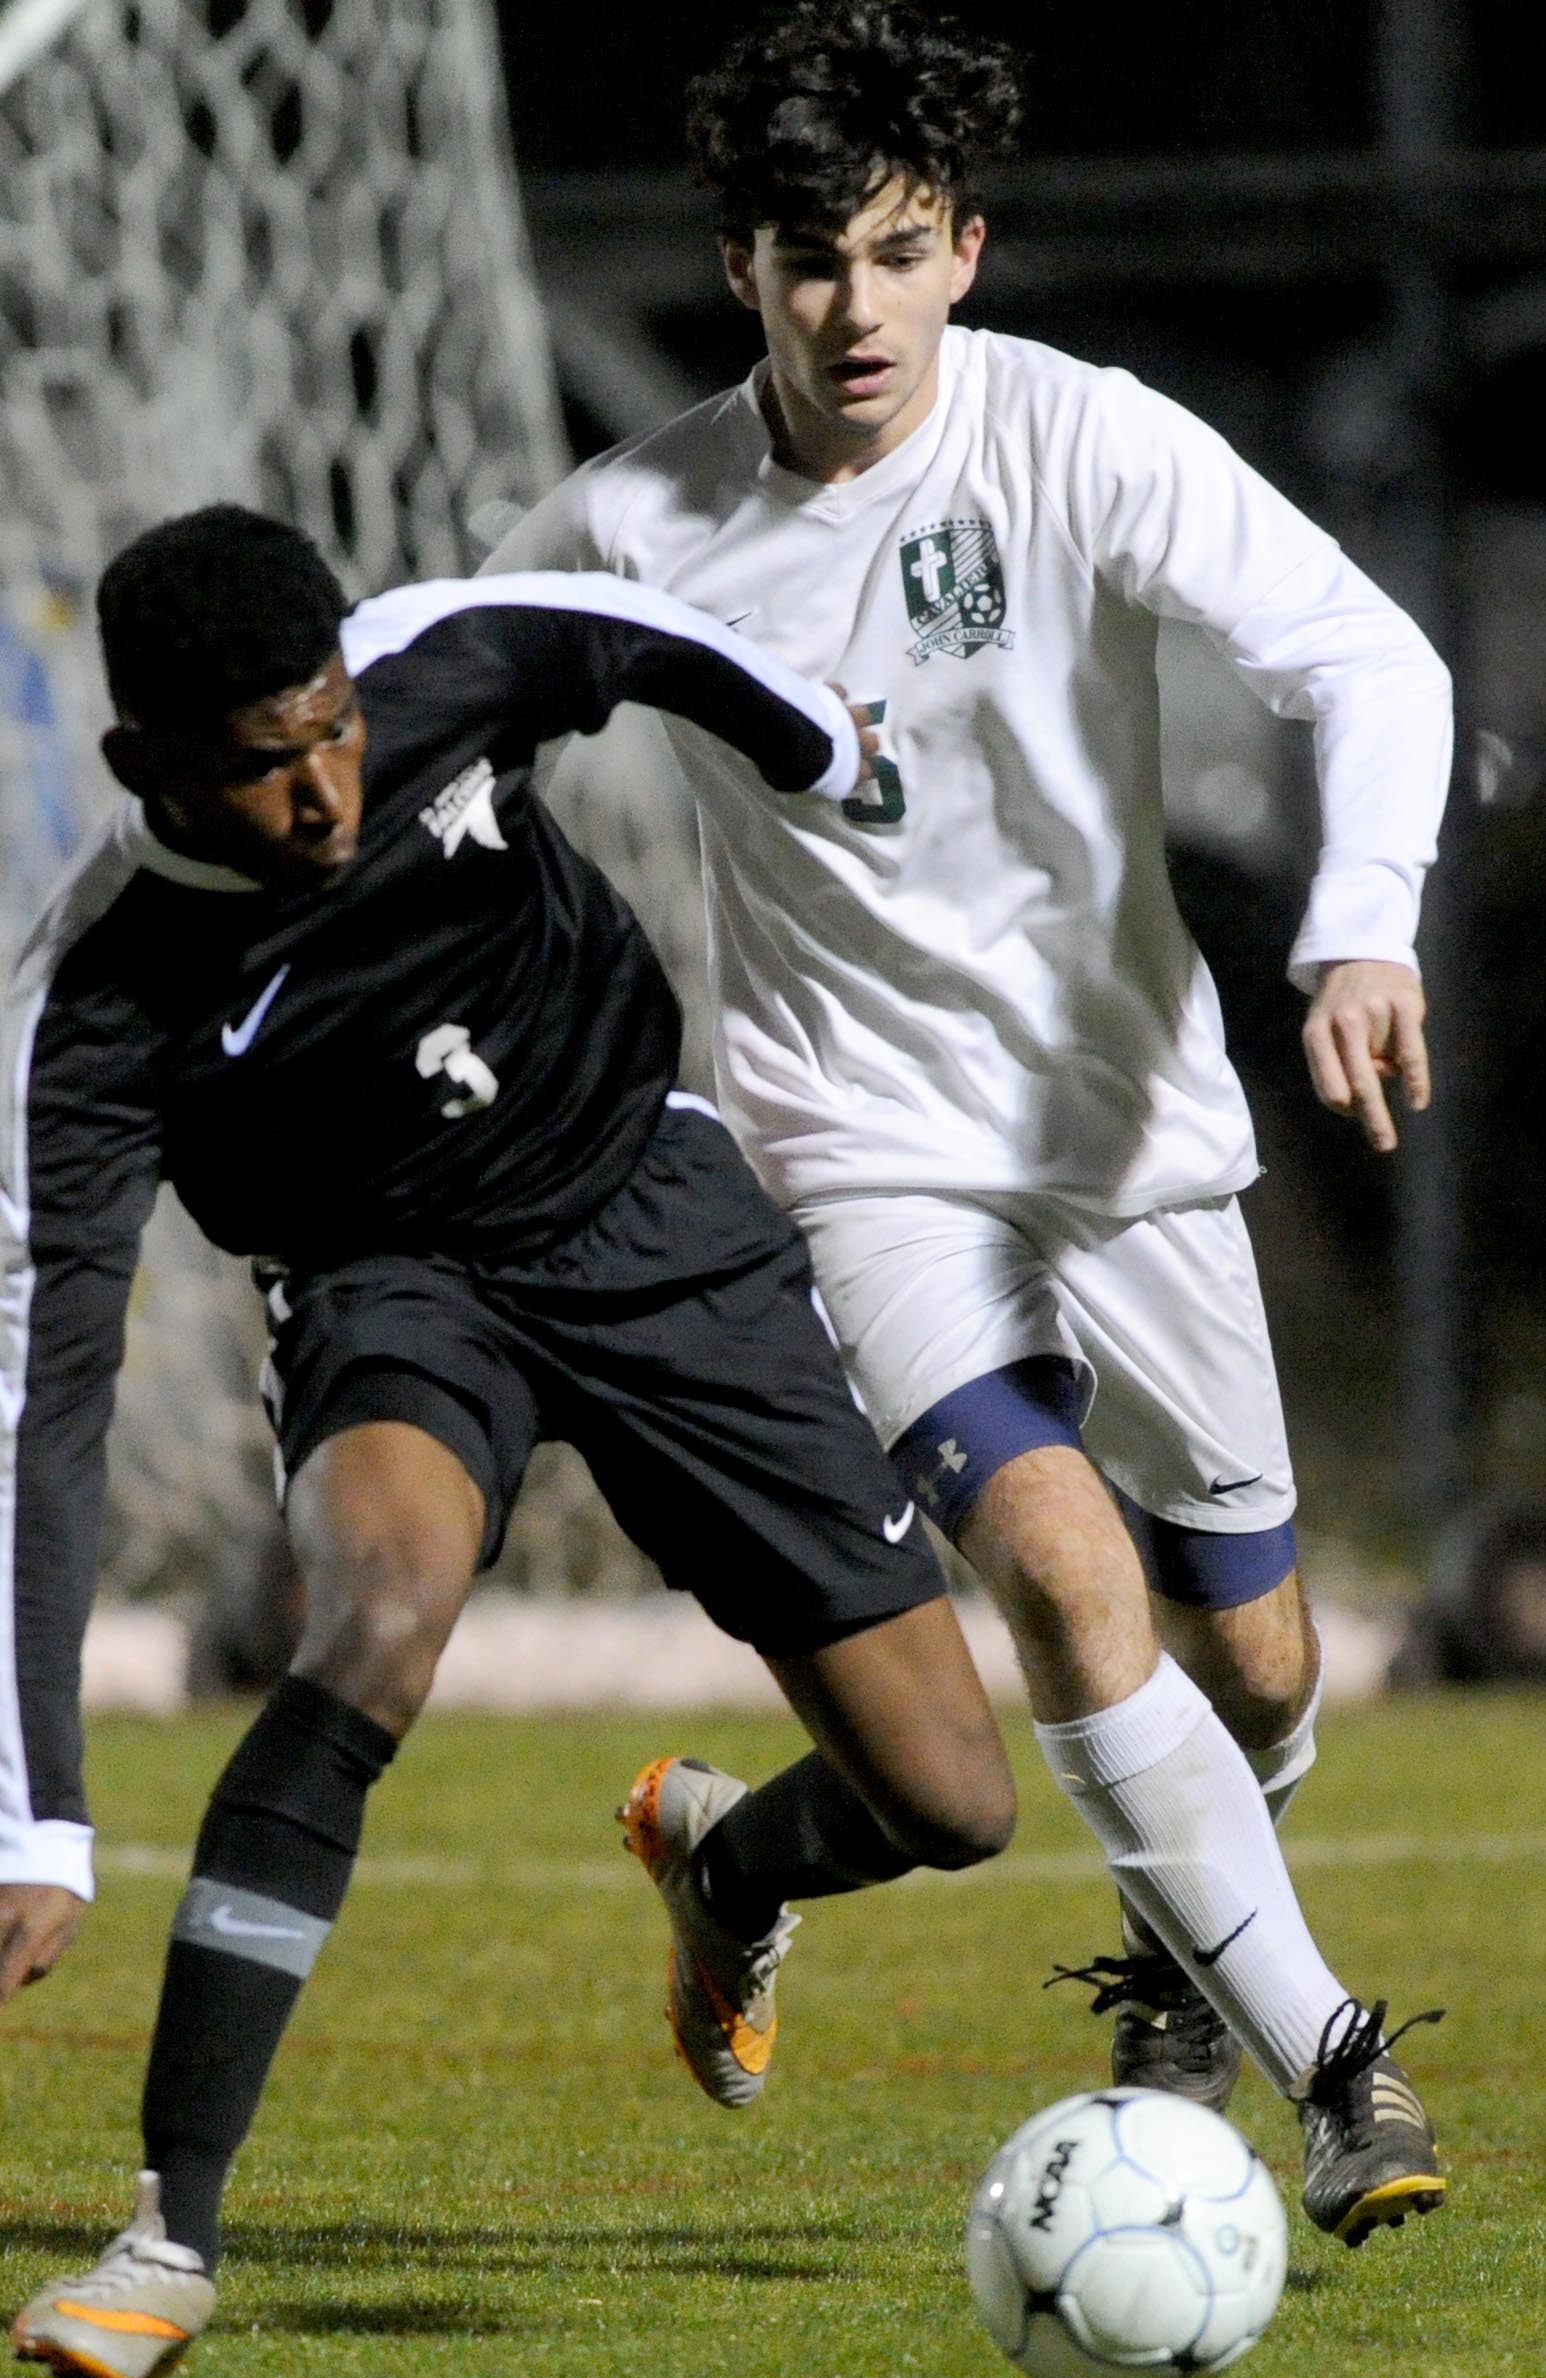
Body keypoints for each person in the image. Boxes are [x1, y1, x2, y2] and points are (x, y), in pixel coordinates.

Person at [483, 1, 1451, 2244]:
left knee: (1262, 1659)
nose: (853, 306)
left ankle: (738, 1860)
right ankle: (1326, 2070)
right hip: (862, 1154)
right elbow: (436, 708)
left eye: (897, 250)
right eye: (806, 256)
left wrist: (1361, 925)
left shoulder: (1075, 440)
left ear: (966, 251)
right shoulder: (637, 520)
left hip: (1130, 1133)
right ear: (738, 264)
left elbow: (1366, 660)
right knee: (1056, 1570)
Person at [3, 503, 1028, 2378]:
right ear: (144, 764)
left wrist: (821, 738)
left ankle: (731, 1876)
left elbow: (616, 633)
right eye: (262, 763)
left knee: (954, 1805)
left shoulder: (438, 662)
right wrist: (36, 1813)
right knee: (377, 1609)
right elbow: (41, 1406)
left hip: (649, 1206)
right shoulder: (97, 1004)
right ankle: (169, 2236)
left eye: (333, 732)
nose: (325, 790)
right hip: (395, 1286)